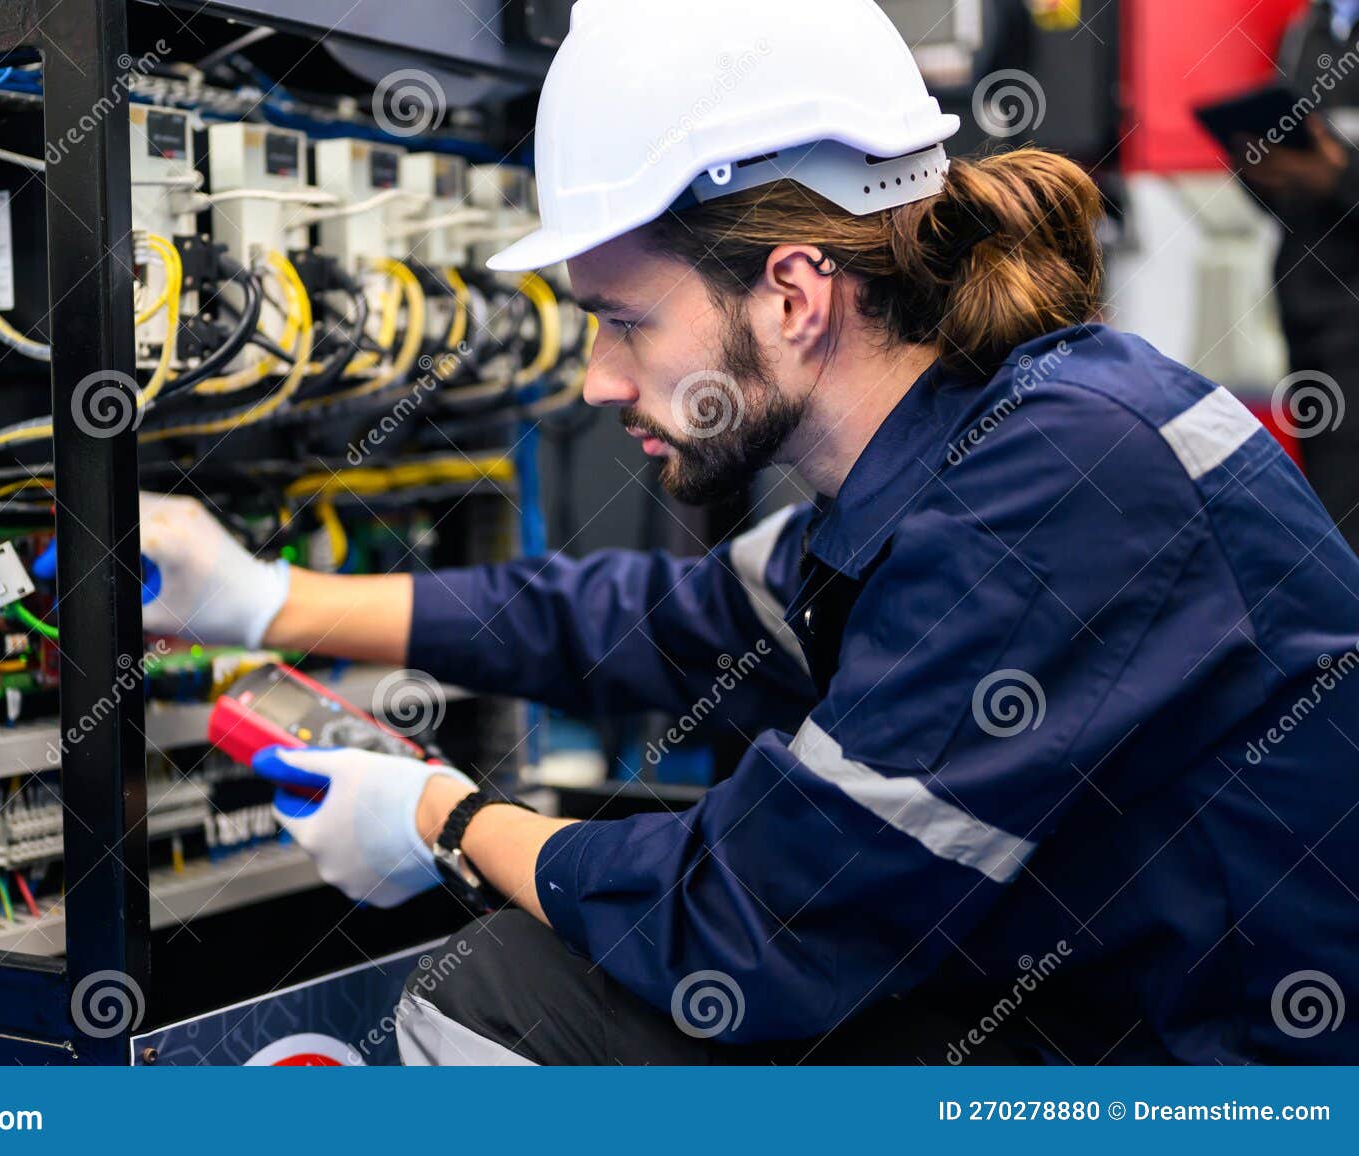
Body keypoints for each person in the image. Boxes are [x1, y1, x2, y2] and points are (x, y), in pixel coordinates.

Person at [142, 0, 1359, 1064]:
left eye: (622, 320)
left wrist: (442, 822)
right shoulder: (964, 444)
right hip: (1105, 1020)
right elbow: (655, 623)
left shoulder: (1057, 483)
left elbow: (752, 924)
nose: (598, 380)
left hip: (1220, 1078)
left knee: (505, 999)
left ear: (791, 291)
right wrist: (259, 600)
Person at [1239, 0, 1359, 550]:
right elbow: (1292, 186)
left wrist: (1338, 176)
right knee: (1329, 498)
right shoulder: (1303, 32)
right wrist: (1262, 172)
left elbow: (1333, 170)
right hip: (1308, 306)